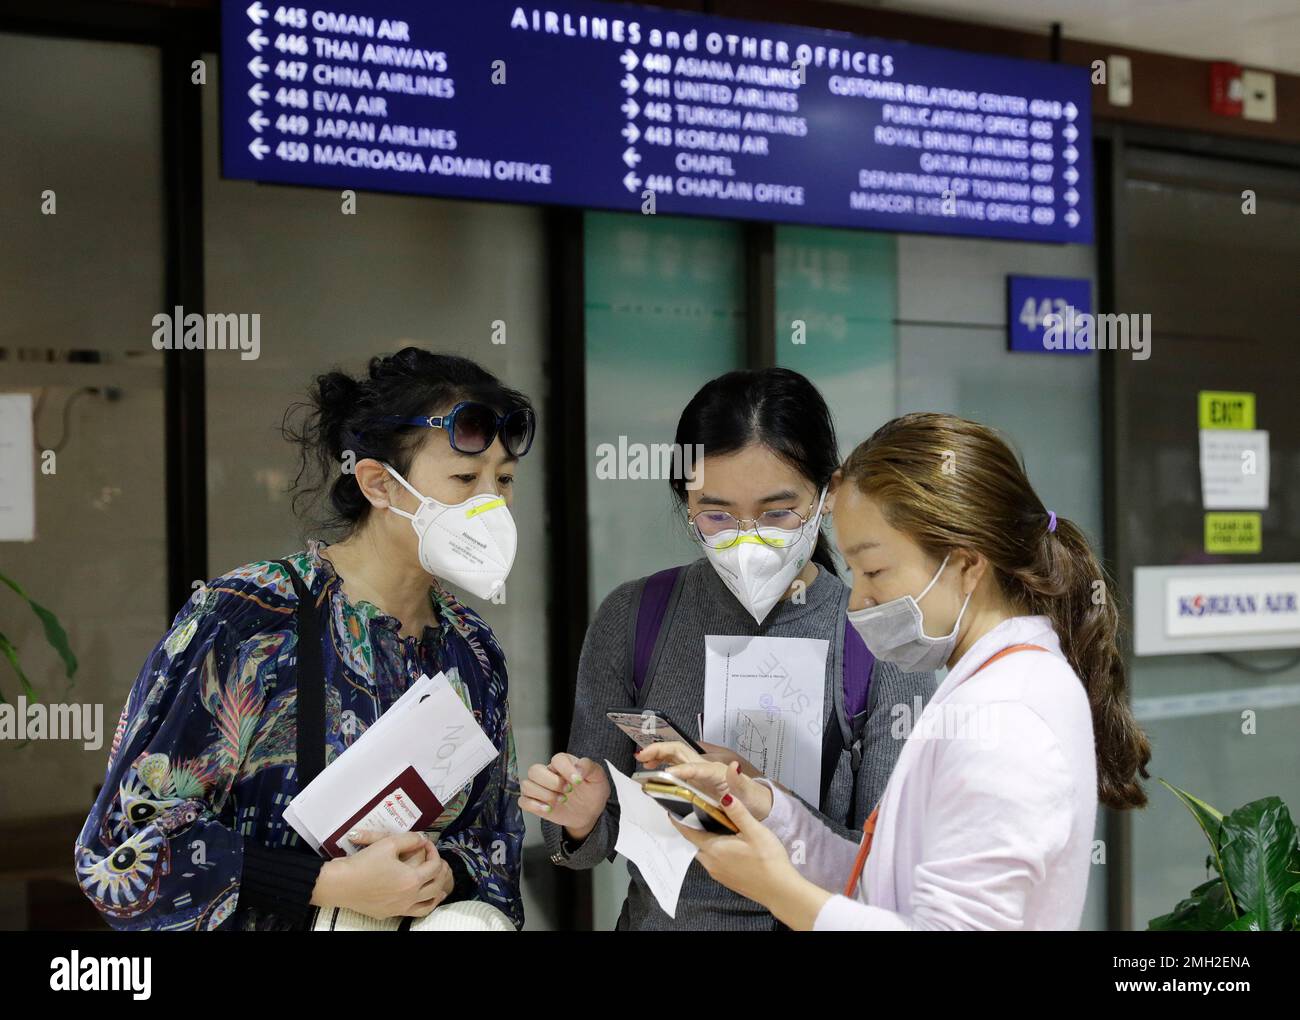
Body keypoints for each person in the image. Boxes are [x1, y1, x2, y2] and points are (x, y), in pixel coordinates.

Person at [74, 348, 534, 930]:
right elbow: (123, 852)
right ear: (379, 485)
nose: (490, 504)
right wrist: (328, 883)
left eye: (505, 479)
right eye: (466, 478)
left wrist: (448, 872)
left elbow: (495, 838)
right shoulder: (251, 619)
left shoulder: (473, 649)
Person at [664, 411, 1151, 930]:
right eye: (853, 572)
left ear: (966, 563)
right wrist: (766, 807)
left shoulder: (1004, 717)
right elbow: (888, 884)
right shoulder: (996, 687)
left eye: (873, 570)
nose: (858, 600)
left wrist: (779, 892)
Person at [520, 368, 936, 930]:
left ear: (828, 495)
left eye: (777, 512)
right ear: (683, 501)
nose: (747, 537)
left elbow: (886, 863)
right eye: (716, 515)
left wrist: (766, 806)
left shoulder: (874, 633)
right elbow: (587, 840)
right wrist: (579, 817)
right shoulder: (635, 617)